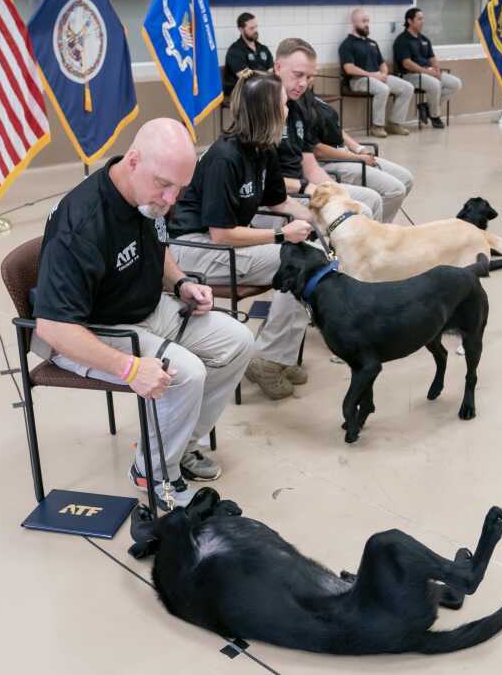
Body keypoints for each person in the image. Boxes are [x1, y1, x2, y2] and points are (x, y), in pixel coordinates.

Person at [33, 119, 254, 510]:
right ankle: (152, 471)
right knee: (185, 373)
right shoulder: (81, 222)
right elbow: (53, 327)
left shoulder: (149, 195)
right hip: (88, 330)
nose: (171, 199)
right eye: (164, 185)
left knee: (238, 340)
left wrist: (182, 282)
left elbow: (159, 245)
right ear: (133, 161)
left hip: (147, 308)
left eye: (180, 189)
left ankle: (178, 445)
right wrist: (129, 369)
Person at [166, 71, 313, 401]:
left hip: (224, 242)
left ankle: (277, 355)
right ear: (266, 111)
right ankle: (269, 358)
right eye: (283, 104)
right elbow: (221, 234)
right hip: (193, 247)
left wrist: (325, 219)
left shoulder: (265, 149)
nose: (288, 109)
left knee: (313, 258)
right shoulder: (225, 157)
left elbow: (280, 201)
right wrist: (280, 235)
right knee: (299, 262)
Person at [272, 37, 384, 222]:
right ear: (277, 68)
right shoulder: (260, 107)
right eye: (298, 74)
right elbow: (266, 183)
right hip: (281, 196)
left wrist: (336, 192)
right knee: (359, 212)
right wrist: (308, 188)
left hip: (304, 186)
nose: (303, 83)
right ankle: (339, 251)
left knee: (372, 200)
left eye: (308, 77)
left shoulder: (299, 105)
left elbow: (310, 166)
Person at [300, 87, 413, 223]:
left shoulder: (312, 96)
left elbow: (336, 129)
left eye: (310, 75)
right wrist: (358, 158)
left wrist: (359, 149)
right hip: (329, 161)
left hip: (345, 152)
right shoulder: (297, 106)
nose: (307, 80)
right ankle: (377, 232)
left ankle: (379, 227)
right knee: (395, 190)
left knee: (406, 178)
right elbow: (318, 150)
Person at [339, 8, 415, 138]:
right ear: (354, 22)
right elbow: (349, 68)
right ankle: (377, 126)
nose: (367, 24)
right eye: (363, 21)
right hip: (358, 80)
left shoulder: (372, 43)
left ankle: (394, 123)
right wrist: (374, 76)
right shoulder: (347, 44)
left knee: (408, 87)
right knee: (383, 89)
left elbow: (382, 63)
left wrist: (384, 74)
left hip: (377, 76)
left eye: (368, 21)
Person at [393, 7, 462, 129]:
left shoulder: (424, 39)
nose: (422, 21)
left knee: (456, 84)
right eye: (419, 19)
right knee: (435, 84)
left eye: (423, 18)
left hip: (428, 73)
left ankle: (426, 106)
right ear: (410, 21)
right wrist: (427, 72)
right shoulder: (402, 40)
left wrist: (436, 70)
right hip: (409, 75)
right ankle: (435, 115)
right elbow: (407, 63)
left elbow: (432, 58)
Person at [223, 12, 274, 97]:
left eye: (256, 27)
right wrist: (266, 79)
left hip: (263, 88)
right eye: (251, 28)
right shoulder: (234, 51)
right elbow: (246, 77)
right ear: (241, 29)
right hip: (241, 93)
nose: (255, 30)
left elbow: (271, 71)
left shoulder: (263, 48)